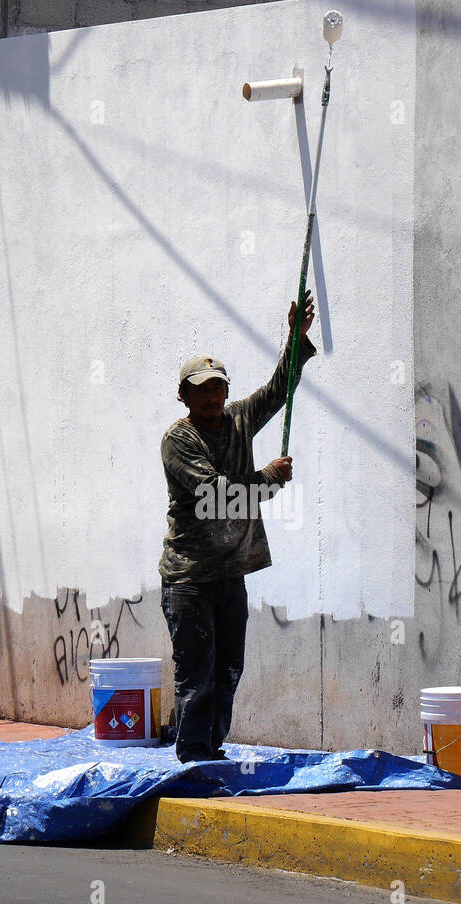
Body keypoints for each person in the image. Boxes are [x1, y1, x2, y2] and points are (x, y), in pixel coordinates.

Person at [159, 291, 317, 763]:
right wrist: (268, 478)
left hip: (229, 574)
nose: (212, 396)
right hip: (189, 578)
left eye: (218, 388)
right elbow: (216, 496)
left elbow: (277, 391)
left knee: (229, 669)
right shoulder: (178, 441)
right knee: (197, 674)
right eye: (201, 389)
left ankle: (211, 748)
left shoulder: (238, 420)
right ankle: (192, 755)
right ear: (183, 395)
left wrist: (295, 339)